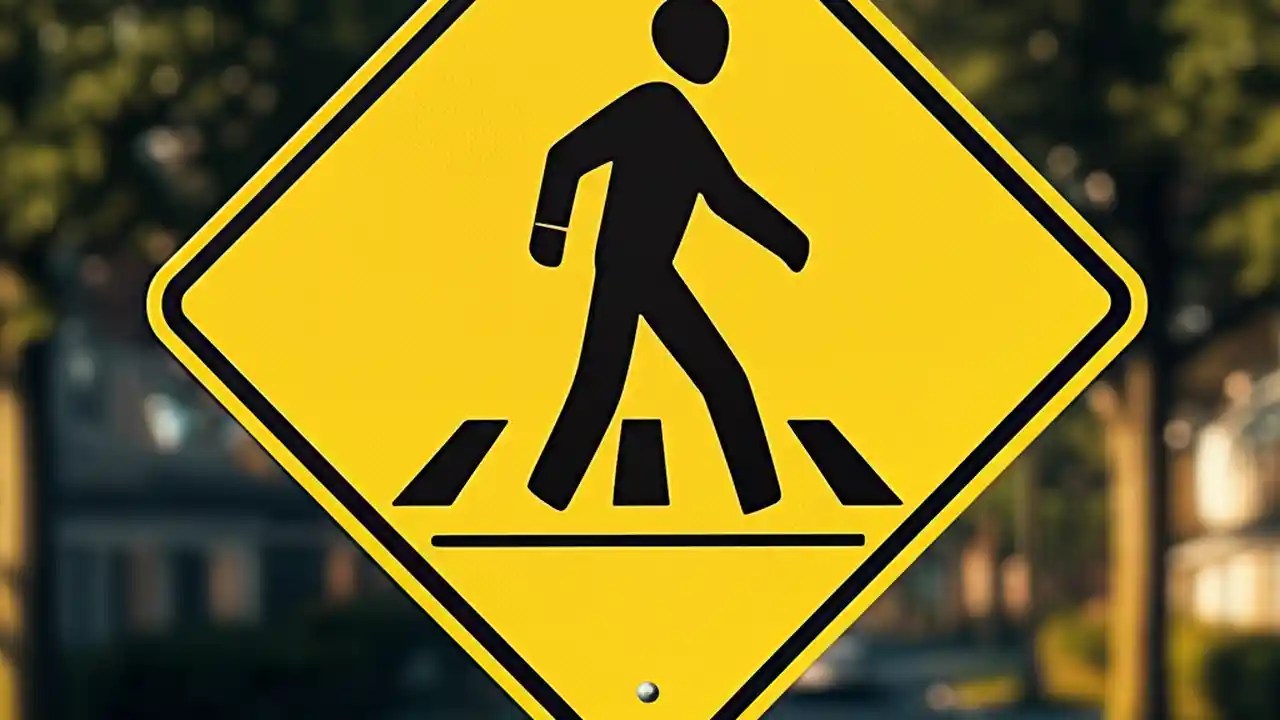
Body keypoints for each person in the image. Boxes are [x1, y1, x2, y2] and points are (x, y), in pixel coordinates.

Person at [527, 0, 809, 514]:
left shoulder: (679, 118)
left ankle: (547, 496)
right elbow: (565, 156)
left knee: (614, 385)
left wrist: (789, 243)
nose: (720, 55)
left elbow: (726, 196)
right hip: (627, 268)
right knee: (692, 381)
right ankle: (764, 501)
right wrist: (548, 238)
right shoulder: (653, 105)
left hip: (648, 270)